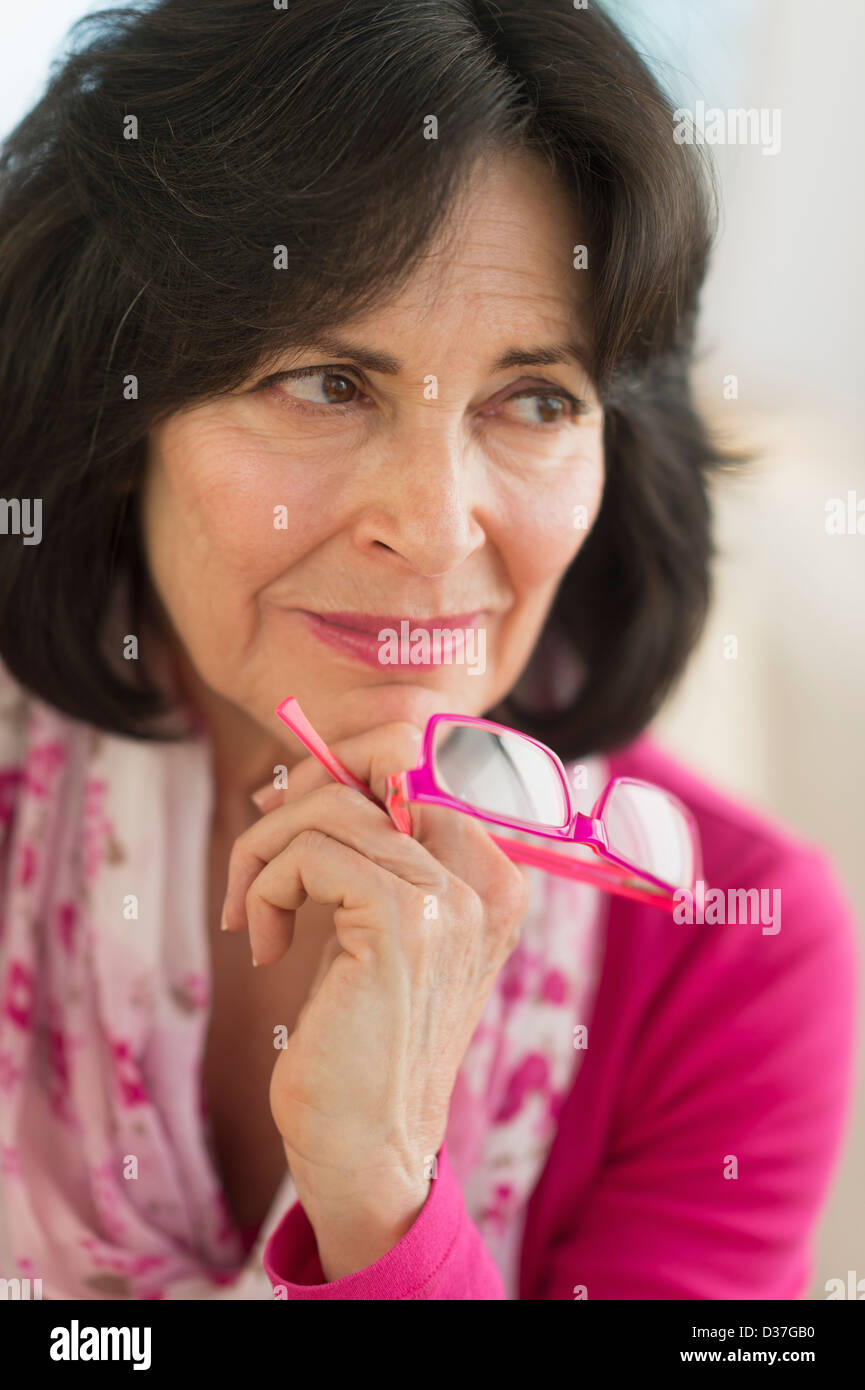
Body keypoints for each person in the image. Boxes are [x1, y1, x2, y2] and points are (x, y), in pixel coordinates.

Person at [0, 0, 856, 1300]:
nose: (436, 526)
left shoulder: (732, 946)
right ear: (117, 416)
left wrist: (384, 1186)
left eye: (533, 399)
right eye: (327, 382)